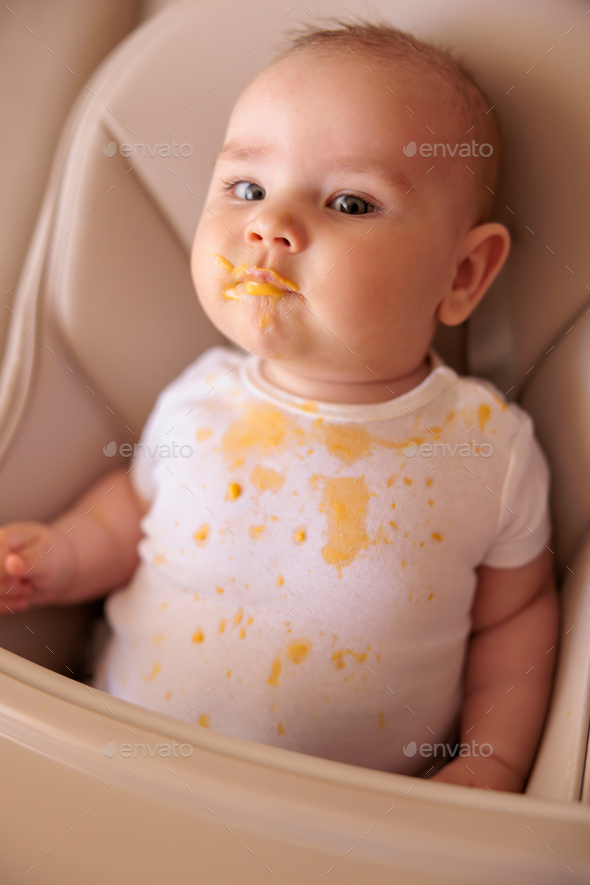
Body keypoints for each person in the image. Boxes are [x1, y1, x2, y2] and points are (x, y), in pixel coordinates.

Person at [0, 19, 558, 792]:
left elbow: (515, 619)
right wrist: (61, 557)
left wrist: (492, 758)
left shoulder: (485, 448)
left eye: (350, 202)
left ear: (462, 274)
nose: (270, 225)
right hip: (125, 775)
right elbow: (133, 513)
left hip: (337, 825)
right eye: (248, 189)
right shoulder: (200, 397)